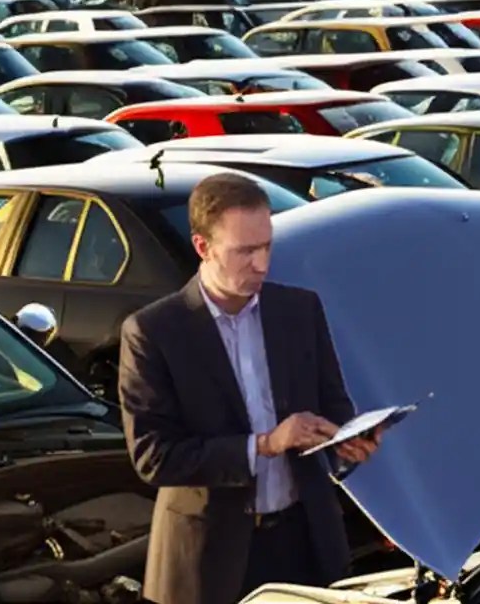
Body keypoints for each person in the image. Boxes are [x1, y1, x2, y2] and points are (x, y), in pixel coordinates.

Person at [118, 172, 380, 604]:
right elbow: (154, 457)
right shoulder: (154, 332)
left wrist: (347, 441)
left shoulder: (300, 310)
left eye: (267, 247)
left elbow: (333, 407)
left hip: (306, 544)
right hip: (209, 558)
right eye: (245, 252)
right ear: (202, 247)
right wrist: (264, 444)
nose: (261, 264)